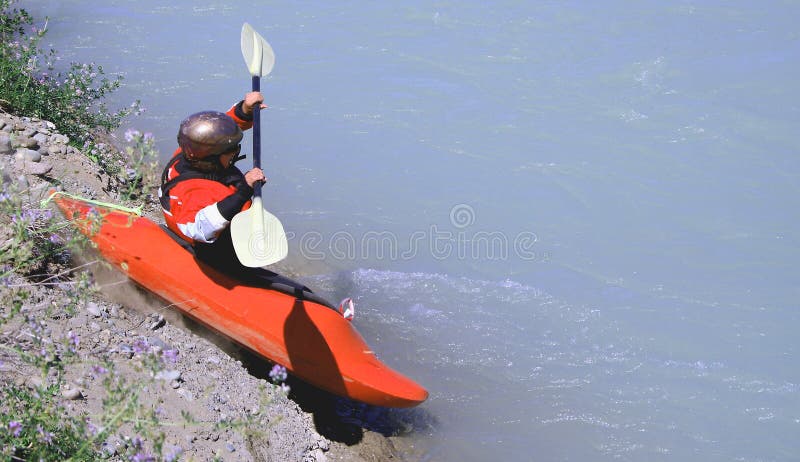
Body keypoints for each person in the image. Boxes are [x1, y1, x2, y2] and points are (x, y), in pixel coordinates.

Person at [159, 92, 326, 303]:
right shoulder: (194, 191)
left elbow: (219, 130)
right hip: (213, 253)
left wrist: (244, 110)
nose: (236, 151)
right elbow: (199, 228)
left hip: (221, 235)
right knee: (299, 292)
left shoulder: (189, 152)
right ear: (212, 156)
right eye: (231, 150)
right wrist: (244, 191)